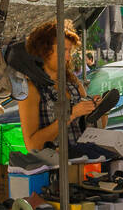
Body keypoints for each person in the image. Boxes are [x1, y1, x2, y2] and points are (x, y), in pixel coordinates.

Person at [17, 19, 101, 152]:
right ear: (44, 50)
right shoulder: (32, 88)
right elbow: (32, 145)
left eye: (69, 51)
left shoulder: (73, 82)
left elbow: (92, 129)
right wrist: (71, 115)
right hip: (52, 169)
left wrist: (98, 110)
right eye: (63, 50)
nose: (68, 57)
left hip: (81, 163)